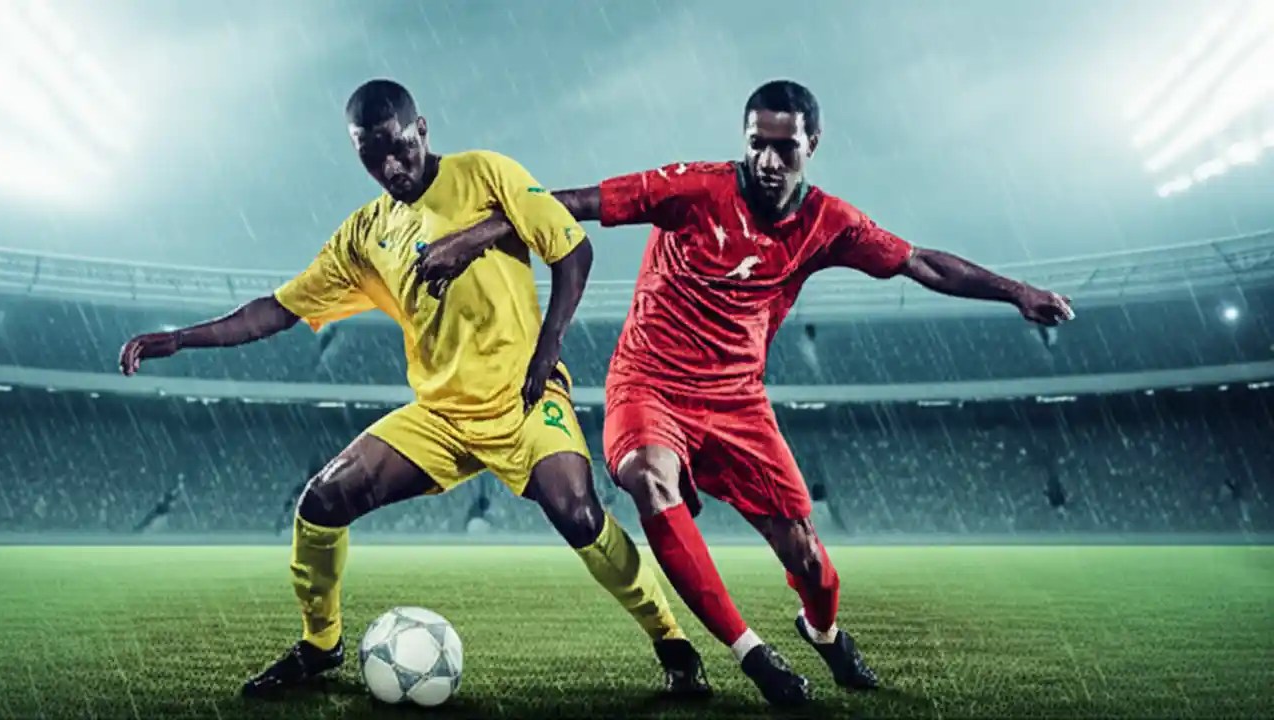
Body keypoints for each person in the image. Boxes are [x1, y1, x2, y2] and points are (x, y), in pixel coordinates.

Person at [414, 79, 1076, 706]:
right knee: (648, 477)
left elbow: (921, 262)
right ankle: (751, 653)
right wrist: (473, 239)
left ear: (811, 145)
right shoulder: (692, 188)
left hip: (737, 402)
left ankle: (821, 635)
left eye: (783, 146)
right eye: (755, 142)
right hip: (650, 383)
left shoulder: (830, 222)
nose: (766, 158)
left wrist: (1018, 294)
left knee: (809, 561)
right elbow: (568, 203)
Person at [117, 79, 708, 699]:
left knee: (578, 512)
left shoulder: (486, 174)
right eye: (371, 156)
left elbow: (573, 250)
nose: (390, 166)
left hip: (525, 399)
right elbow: (278, 309)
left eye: (398, 146)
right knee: (321, 502)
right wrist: (180, 339)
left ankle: (671, 640)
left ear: (421, 127)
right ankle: (321, 645)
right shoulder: (365, 236)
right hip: (440, 414)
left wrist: (549, 344)